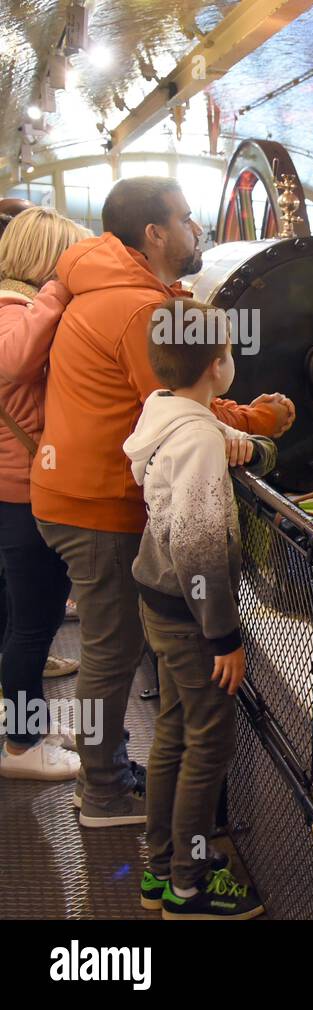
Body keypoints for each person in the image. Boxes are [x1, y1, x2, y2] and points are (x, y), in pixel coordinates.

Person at [31, 177, 295, 827]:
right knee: (110, 654)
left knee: (109, 650)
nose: (196, 228)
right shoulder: (139, 309)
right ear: (154, 233)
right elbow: (182, 402)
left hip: (74, 490)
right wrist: (260, 421)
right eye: (186, 218)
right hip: (98, 504)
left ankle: (107, 770)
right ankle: (102, 791)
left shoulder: (113, 290)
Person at [124, 296, 264, 918]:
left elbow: (203, 436)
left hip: (158, 604)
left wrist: (247, 444)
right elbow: (199, 548)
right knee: (207, 749)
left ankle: (159, 870)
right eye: (229, 352)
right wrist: (223, 638)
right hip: (191, 619)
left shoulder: (163, 412)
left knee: (173, 735)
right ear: (216, 366)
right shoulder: (200, 439)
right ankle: (190, 885)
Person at [0, 208, 89, 780]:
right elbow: (15, 360)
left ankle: (19, 724)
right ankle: (22, 746)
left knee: (20, 620)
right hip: (20, 493)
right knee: (32, 625)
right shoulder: (12, 309)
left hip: (13, 488)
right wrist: (58, 291)